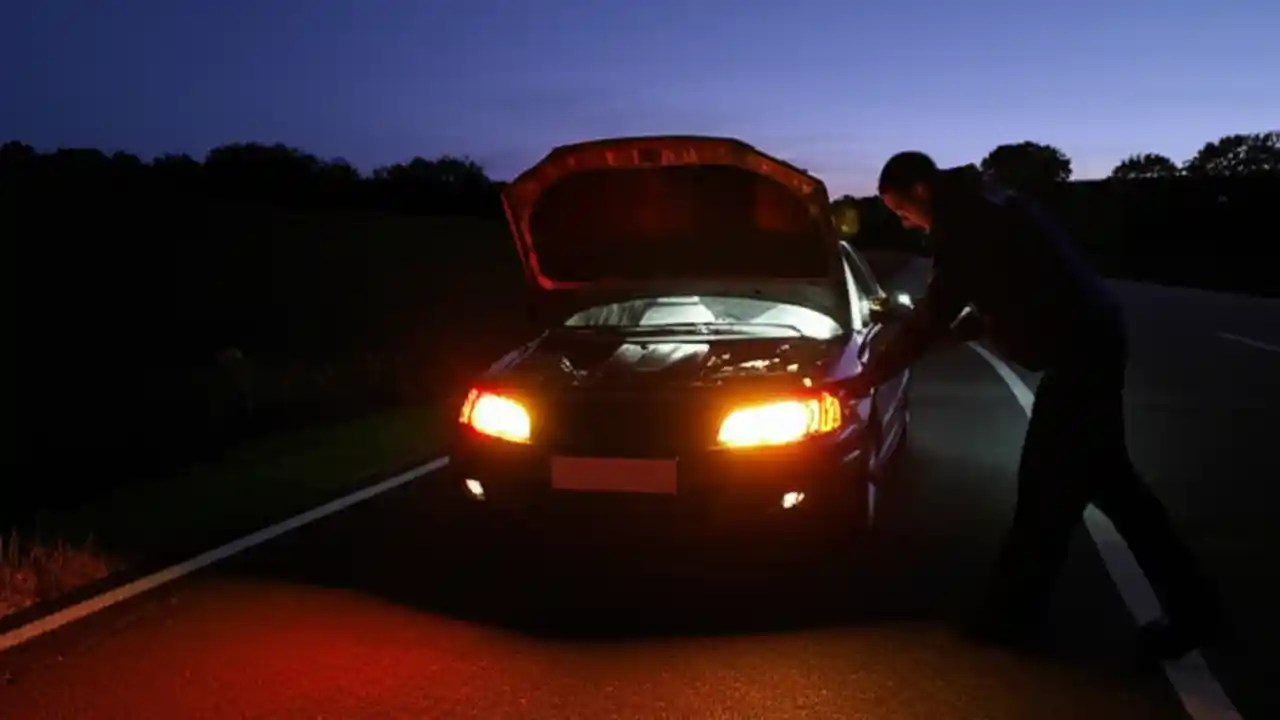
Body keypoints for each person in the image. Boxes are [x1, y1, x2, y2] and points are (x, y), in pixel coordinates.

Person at [838, 151, 1225, 660]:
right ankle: (1194, 612)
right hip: (1090, 343)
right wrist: (967, 330)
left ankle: (1011, 615)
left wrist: (868, 376)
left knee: (1048, 485)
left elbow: (930, 318)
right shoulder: (984, 203)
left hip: (1080, 354)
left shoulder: (967, 223)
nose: (900, 220)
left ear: (921, 190)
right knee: (1101, 488)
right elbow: (1015, 285)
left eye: (898, 207)